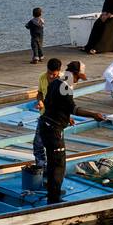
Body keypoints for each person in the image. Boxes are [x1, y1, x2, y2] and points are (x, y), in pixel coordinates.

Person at [38, 58, 77, 203]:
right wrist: (93, 115)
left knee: (53, 160)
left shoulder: (58, 84)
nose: (51, 76)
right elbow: (72, 107)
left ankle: (52, 189)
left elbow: (60, 106)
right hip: (50, 125)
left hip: (50, 122)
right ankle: (53, 197)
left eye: (54, 74)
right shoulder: (57, 84)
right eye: (49, 74)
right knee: (58, 163)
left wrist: (66, 118)